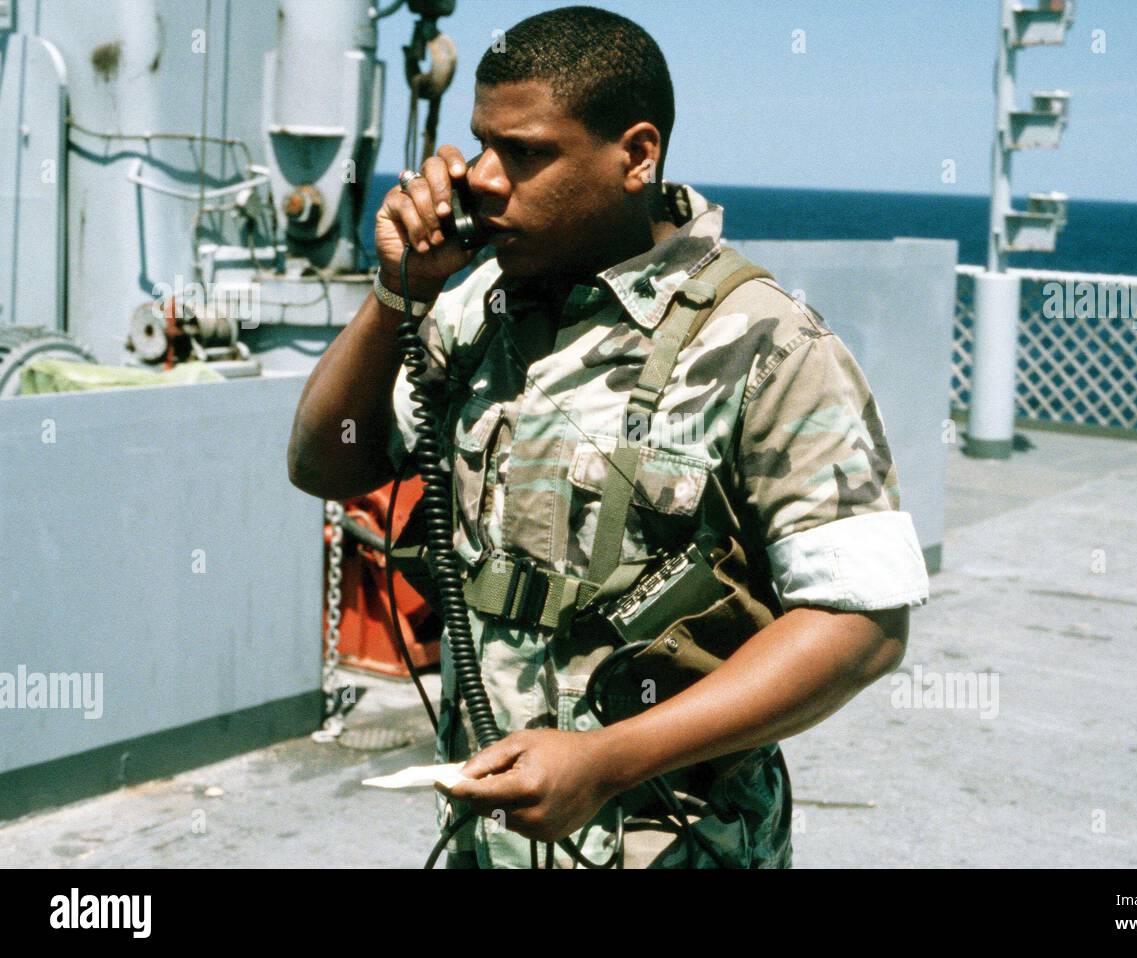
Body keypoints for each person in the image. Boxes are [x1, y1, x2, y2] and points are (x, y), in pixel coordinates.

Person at [287, 5, 929, 868]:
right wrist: (396, 295)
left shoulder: (766, 342)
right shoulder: (479, 308)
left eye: (524, 153)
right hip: (493, 842)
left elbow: (863, 625)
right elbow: (326, 462)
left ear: (635, 156)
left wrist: (605, 761)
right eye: (479, 143)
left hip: (676, 845)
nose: (480, 178)